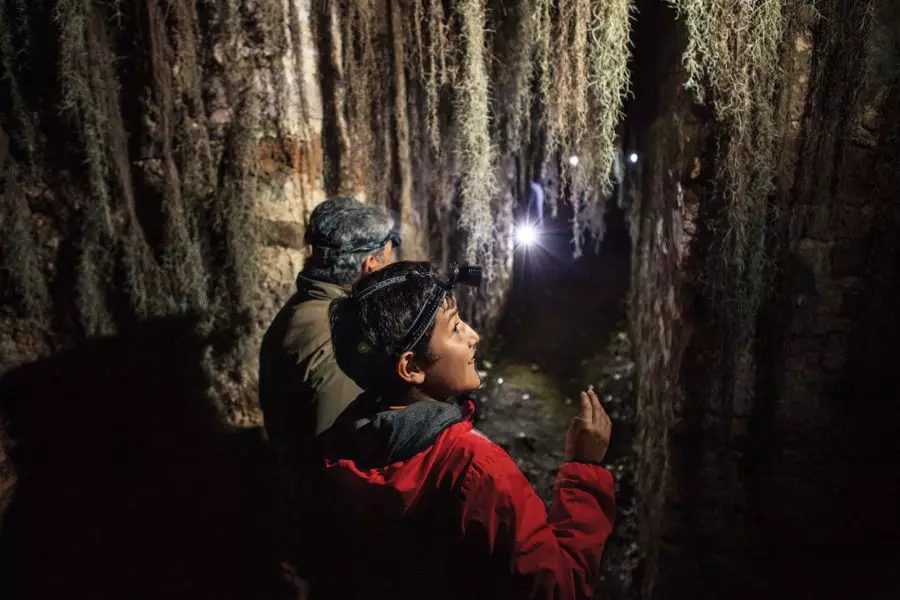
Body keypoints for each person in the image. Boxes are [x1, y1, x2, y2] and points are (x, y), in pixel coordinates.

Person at [319, 260, 616, 600]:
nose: (473, 335)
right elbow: (559, 587)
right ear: (411, 366)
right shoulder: (476, 470)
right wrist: (585, 472)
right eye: (456, 328)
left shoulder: (343, 443)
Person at [257, 196, 398, 589]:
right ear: (371, 264)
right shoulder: (334, 345)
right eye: (390, 253)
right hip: (335, 537)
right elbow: (343, 467)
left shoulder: (308, 312)